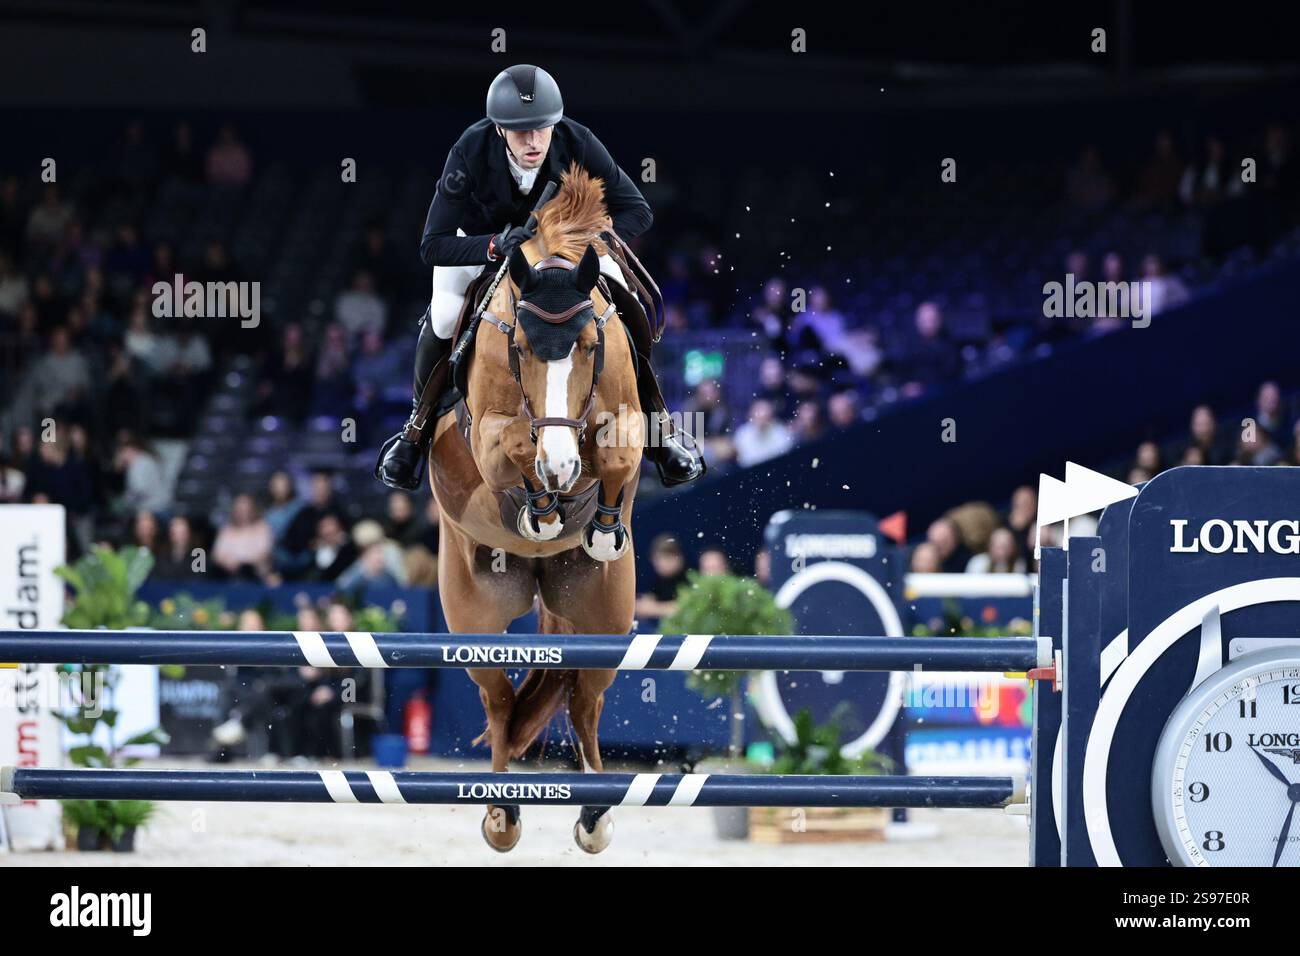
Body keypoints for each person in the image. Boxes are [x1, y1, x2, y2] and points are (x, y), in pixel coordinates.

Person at [374, 64, 704, 491]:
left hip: (561, 253)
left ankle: (660, 432)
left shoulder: (577, 140)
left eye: (541, 129)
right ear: (498, 130)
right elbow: (432, 244)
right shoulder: (469, 151)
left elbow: (637, 210)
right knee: (443, 316)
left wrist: (577, 239)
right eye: (519, 131)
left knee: (628, 303)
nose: (533, 141)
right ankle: (414, 434)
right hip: (481, 245)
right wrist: (494, 245)